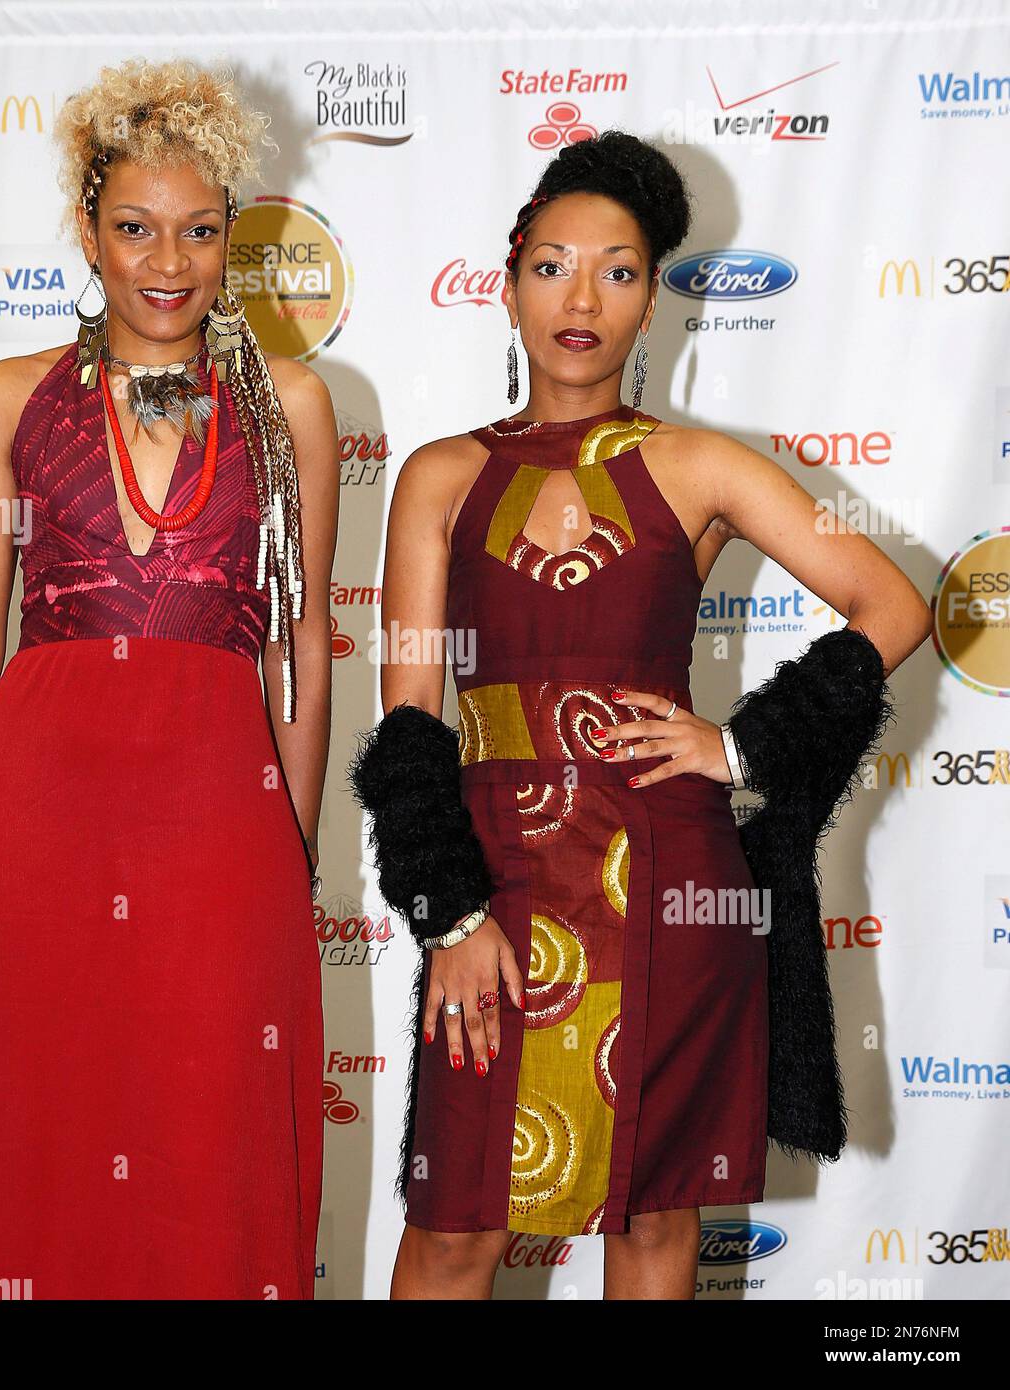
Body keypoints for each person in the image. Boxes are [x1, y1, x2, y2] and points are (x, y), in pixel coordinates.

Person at [350, 130, 931, 1300]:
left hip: (668, 878)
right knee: (457, 1227)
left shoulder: (701, 466)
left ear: (653, 296)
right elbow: (410, 708)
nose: (582, 297)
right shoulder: (439, 475)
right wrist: (449, 913)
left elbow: (893, 604)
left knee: (658, 1225)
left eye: (618, 270)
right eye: (555, 264)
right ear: (509, 277)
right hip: (491, 884)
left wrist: (742, 745)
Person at [0, 57, 339, 1300]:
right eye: (136, 227)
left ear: (230, 239)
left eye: (200, 231)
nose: (168, 260)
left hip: (219, 839)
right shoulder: (7, 398)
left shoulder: (293, 405)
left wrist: (289, 856)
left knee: (213, 1158)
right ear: (86, 228)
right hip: (34, 835)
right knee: (33, 1149)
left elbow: (299, 648)